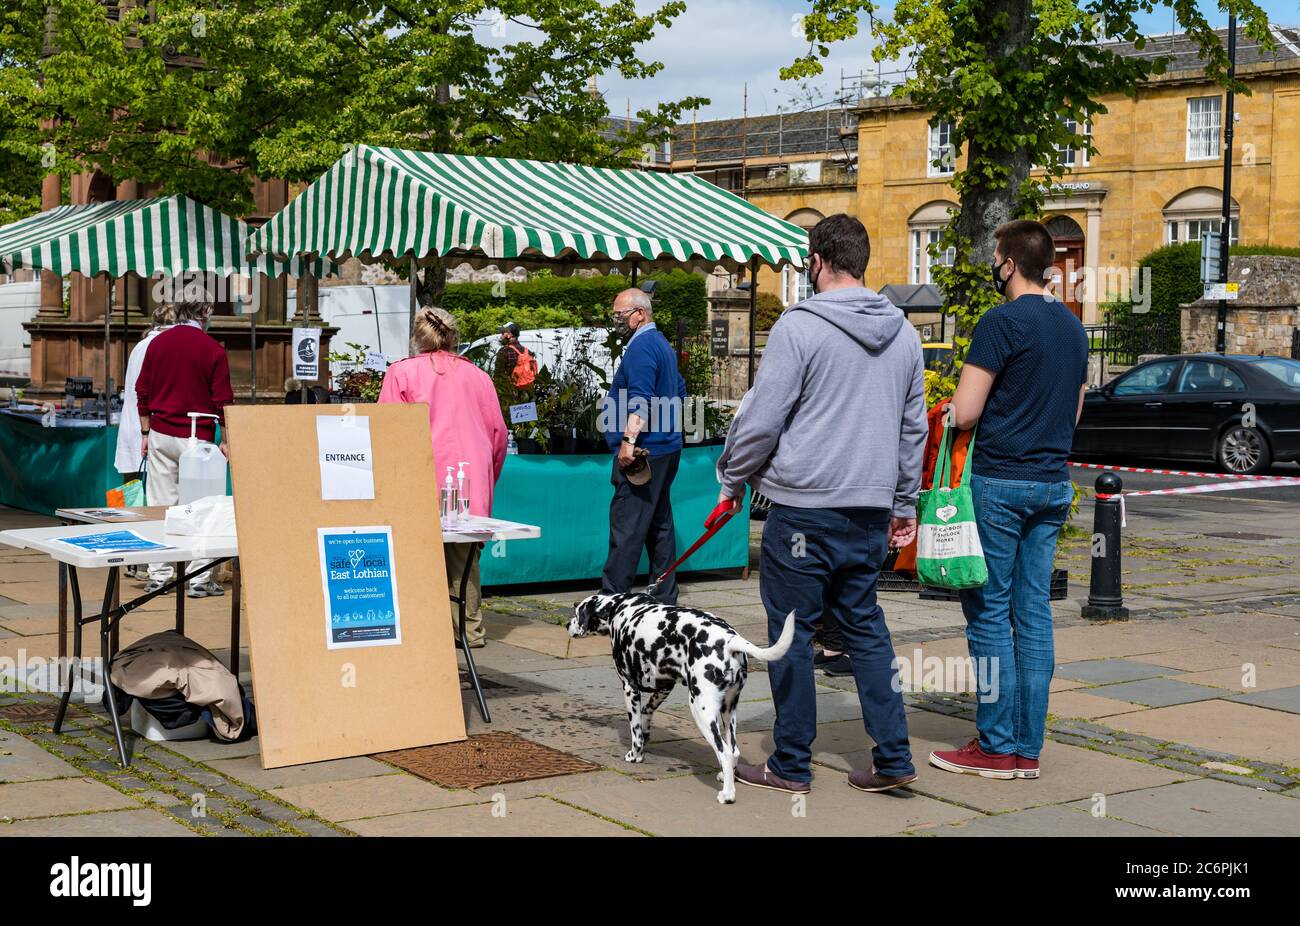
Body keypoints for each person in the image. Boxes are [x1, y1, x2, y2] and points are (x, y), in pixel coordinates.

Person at [716, 213, 927, 795]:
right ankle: (892, 757)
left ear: (816, 261)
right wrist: (903, 503)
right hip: (868, 510)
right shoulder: (905, 334)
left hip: (803, 508)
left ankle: (790, 764)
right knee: (866, 632)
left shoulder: (798, 328)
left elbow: (761, 419)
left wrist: (731, 479)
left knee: (791, 633)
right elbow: (915, 431)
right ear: (861, 262)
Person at [929, 219, 1088, 781]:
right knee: (1034, 614)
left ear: (1008, 263)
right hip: (1052, 482)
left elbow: (968, 411)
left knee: (990, 614)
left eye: (996, 258)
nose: (994, 267)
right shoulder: (1074, 329)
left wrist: (949, 412)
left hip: (997, 483)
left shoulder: (1000, 322)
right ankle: (1027, 748)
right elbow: (1073, 412)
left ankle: (996, 746)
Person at [379, 306, 508, 648]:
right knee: (464, 562)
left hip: (420, 480)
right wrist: (487, 478)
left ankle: (424, 629)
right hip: (468, 481)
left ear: (418, 336)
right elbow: (498, 436)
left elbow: (385, 434)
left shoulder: (401, 373)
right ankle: (469, 629)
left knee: (415, 557)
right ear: (454, 337)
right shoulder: (479, 377)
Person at [135, 300, 232, 598]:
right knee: (203, 509)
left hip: (161, 432)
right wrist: (227, 439)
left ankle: (159, 574)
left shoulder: (157, 344)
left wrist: (144, 432)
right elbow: (223, 401)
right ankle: (198, 577)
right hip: (199, 436)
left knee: (160, 505)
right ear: (204, 314)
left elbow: (143, 391)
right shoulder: (213, 349)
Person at [599, 287, 687, 604]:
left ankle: (612, 599)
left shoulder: (641, 348)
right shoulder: (661, 343)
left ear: (640, 313)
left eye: (620, 315)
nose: (616, 320)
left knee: (628, 525)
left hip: (644, 452)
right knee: (659, 523)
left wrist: (628, 441)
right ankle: (663, 596)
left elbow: (641, 399)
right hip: (666, 448)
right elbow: (680, 389)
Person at [115, 303, 176, 582]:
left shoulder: (140, 345)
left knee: (133, 493)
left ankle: (132, 557)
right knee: (154, 497)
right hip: (148, 428)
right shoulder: (160, 347)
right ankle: (146, 559)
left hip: (133, 427)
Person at [494, 322, 536, 390]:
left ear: (509, 335)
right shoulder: (528, 351)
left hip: (509, 394)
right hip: (525, 392)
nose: (501, 336)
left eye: (502, 333)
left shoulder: (504, 351)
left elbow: (498, 376)